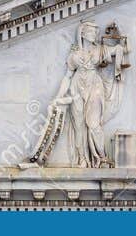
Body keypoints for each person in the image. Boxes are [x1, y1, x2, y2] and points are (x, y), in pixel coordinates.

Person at [52, 20, 124, 167]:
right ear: (83, 34)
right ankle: (83, 158)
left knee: (93, 124)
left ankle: (102, 157)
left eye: (96, 32)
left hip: (94, 85)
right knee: (78, 126)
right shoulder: (74, 55)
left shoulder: (99, 50)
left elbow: (117, 49)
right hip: (77, 87)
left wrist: (119, 46)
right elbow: (67, 76)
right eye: (91, 32)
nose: (95, 35)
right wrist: (59, 96)